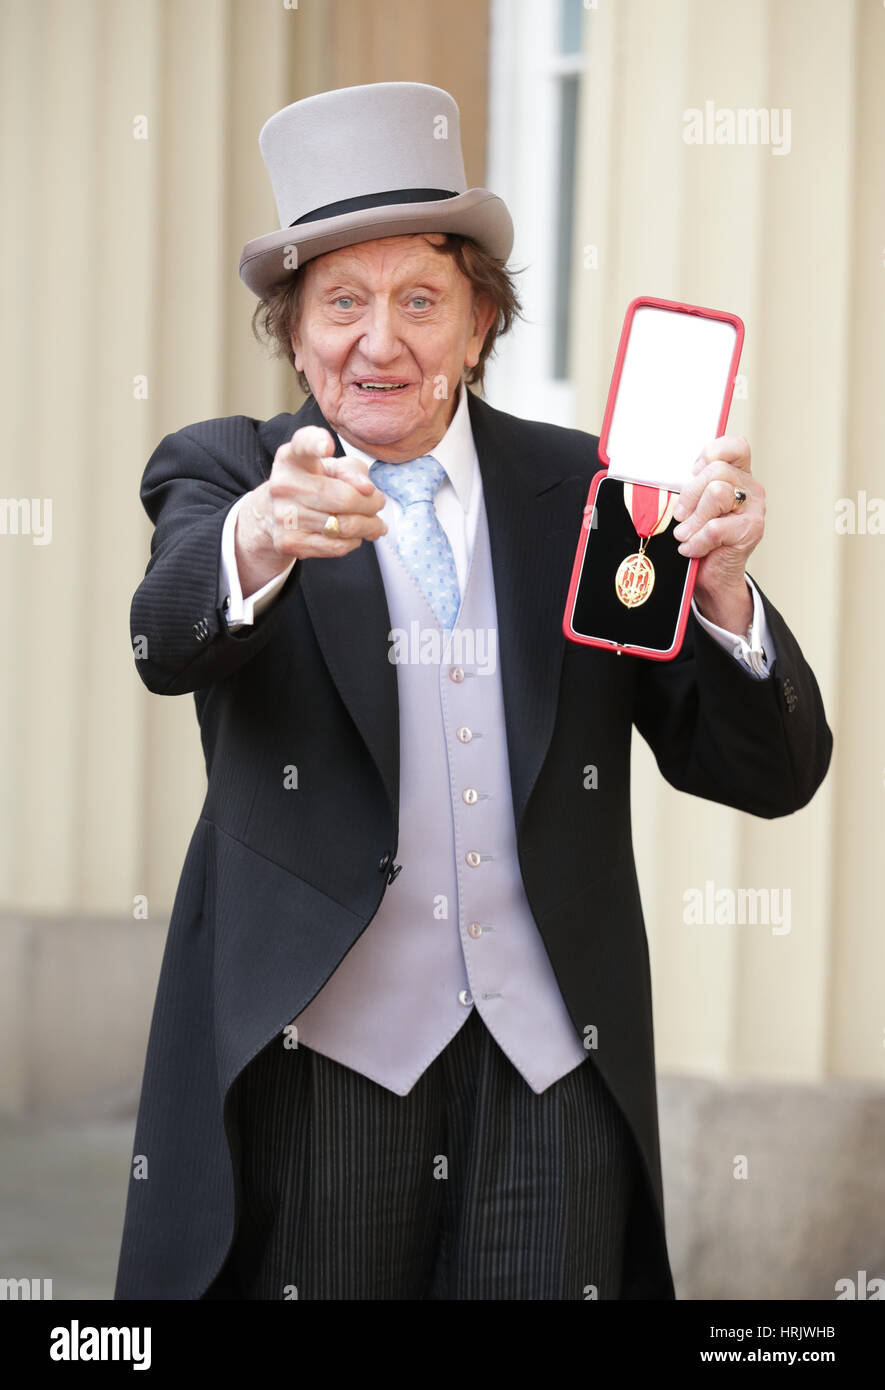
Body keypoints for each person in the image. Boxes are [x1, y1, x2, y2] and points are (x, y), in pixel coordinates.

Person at [114, 82, 832, 1301]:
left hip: (554, 1078)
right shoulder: (230, 472)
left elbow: (764, 773)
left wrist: (719, 595)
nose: (377, 340)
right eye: (341, 301)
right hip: (322, 1071)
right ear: (294, 331)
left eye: (420, 301)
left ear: (480, 326)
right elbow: (166, 631)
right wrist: (264, 537)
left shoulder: (592, 489)